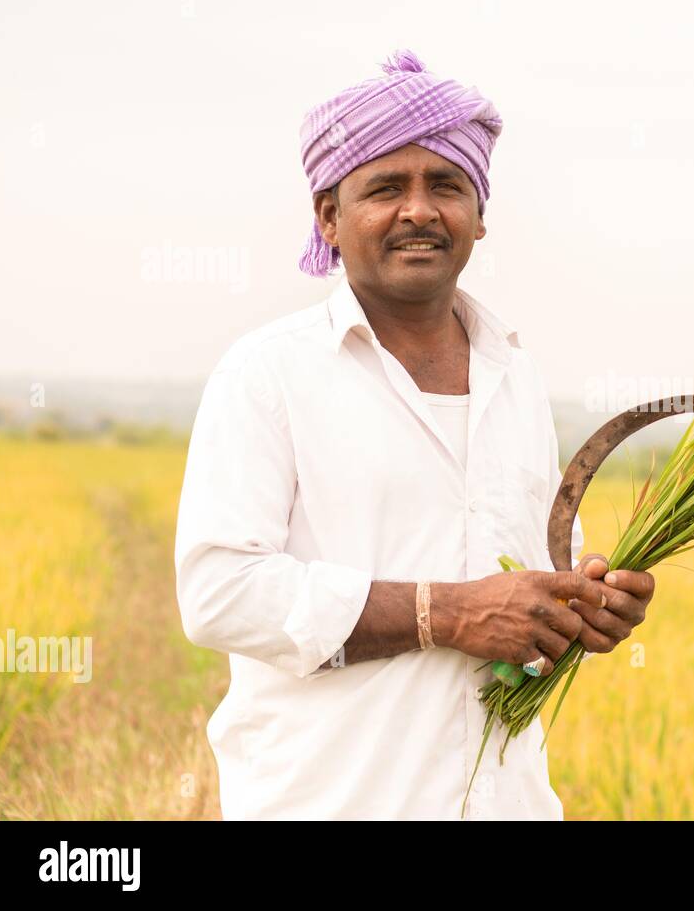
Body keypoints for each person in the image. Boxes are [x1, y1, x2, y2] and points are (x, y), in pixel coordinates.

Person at [174, 49, 655, 820]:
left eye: (446, 185)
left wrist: (583, 603)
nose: (420, 210)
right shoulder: (267, 374)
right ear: (329, 218)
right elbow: (219, 593)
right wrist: (448, 612)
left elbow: (526, 586)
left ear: (481, 213)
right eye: (385, 188)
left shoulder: (516, 378)